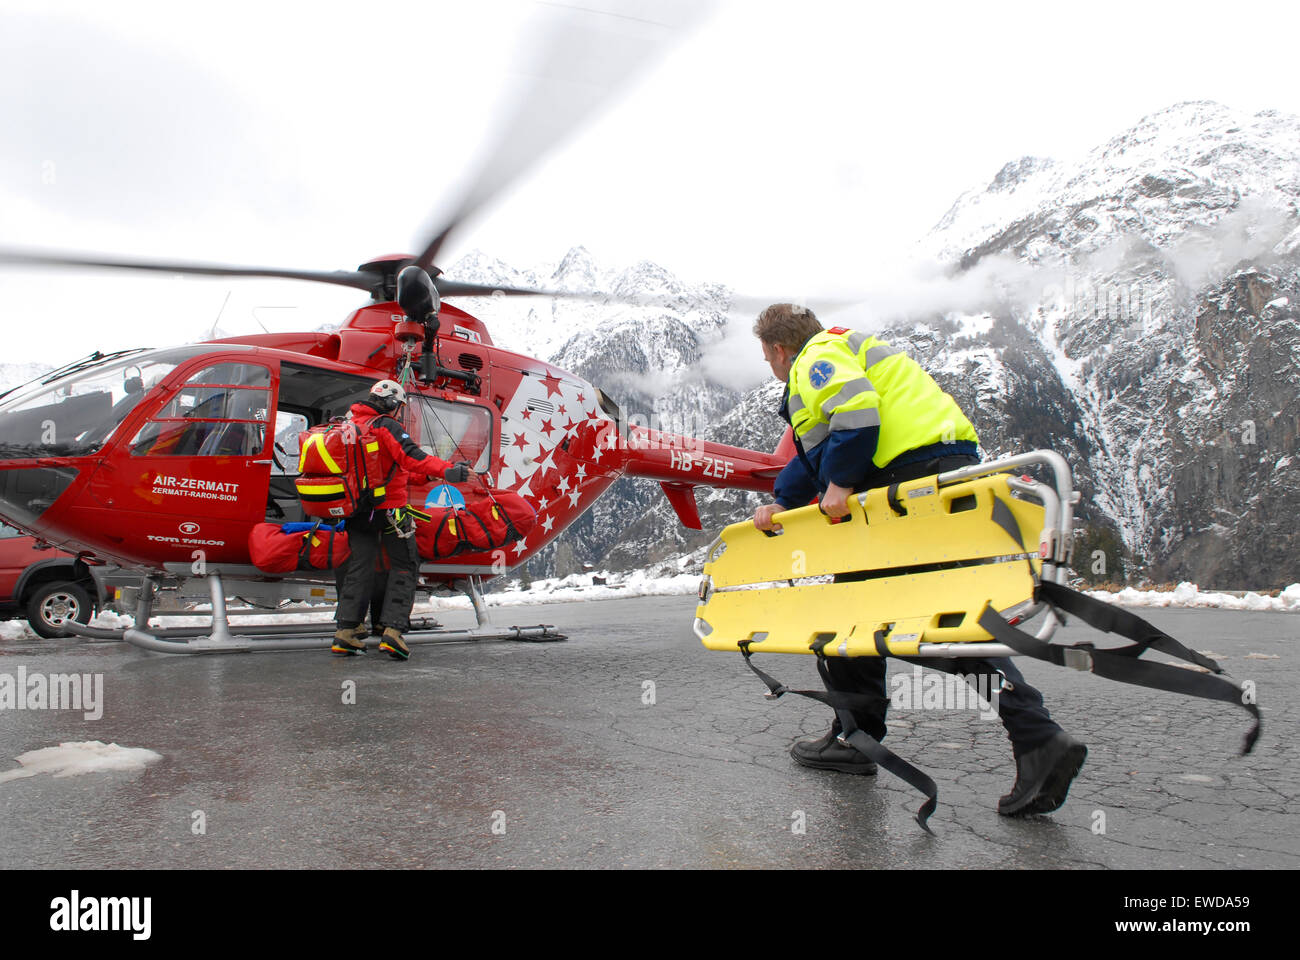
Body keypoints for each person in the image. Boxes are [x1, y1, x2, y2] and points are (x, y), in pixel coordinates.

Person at [750, 303, 1086, 816]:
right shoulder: (845, 347)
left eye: (766, 355)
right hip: (939, 468)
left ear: (777, 348)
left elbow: (857, 417)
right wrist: (782, 501)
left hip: (904, 480)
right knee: (880, 610)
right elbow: (813, 452)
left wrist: (841, 483)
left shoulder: (815, 359)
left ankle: (1030, 733)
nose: (770, 366)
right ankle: (859, 736)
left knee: (892, 617)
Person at [332, 379, 469, 660]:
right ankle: (393, 632)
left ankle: (345, 632)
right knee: (405, 564)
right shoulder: (385, 425)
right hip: (389, 510)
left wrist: (427, 475)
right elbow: (411, 457)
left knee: (359, 567)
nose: (397, 412)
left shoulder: (347, 425)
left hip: (357, 510)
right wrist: (448, 471)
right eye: (398, 406)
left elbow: (391, 469)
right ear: (391, 402)